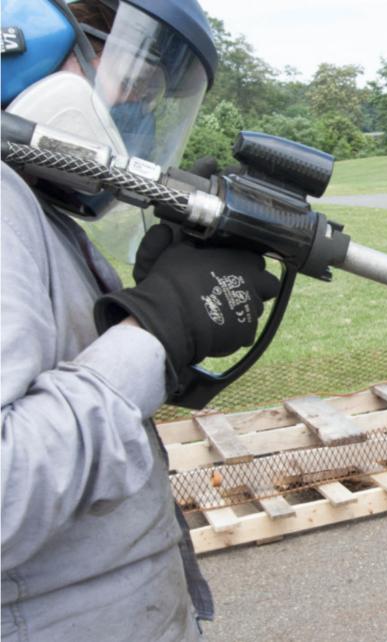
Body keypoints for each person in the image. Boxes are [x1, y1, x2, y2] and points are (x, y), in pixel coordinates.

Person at [1, 1, 278, 640]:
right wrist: (159, 327)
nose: (136, 116)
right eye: (136, 79)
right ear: (23, 39)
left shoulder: (34, 208)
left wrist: (148, 316)